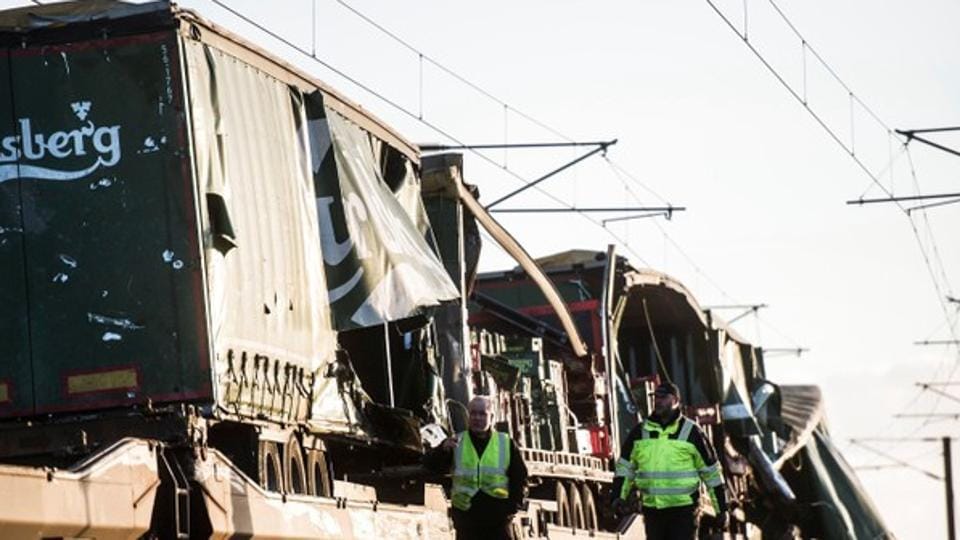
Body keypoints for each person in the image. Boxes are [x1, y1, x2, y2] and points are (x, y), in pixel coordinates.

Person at [611, 382, 728, 539]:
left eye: (663, 397)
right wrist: (618, 497)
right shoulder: (640, 432)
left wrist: (721, 509)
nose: (658, 401)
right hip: (653, 512)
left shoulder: (692, 432)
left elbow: (711, 473)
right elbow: (625, 468)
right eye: (656, 397)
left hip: (684, 511)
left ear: (675, 401)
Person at [424, 396, 528, 540]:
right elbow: (431, 466)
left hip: (498, 523)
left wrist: (511, 510)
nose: (477, 418)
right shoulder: (456, 441)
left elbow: (520, 478)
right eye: (473, 413)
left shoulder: (505, 443)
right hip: (467, 522)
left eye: (482, 414)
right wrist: (442, 449)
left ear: (491, 417)